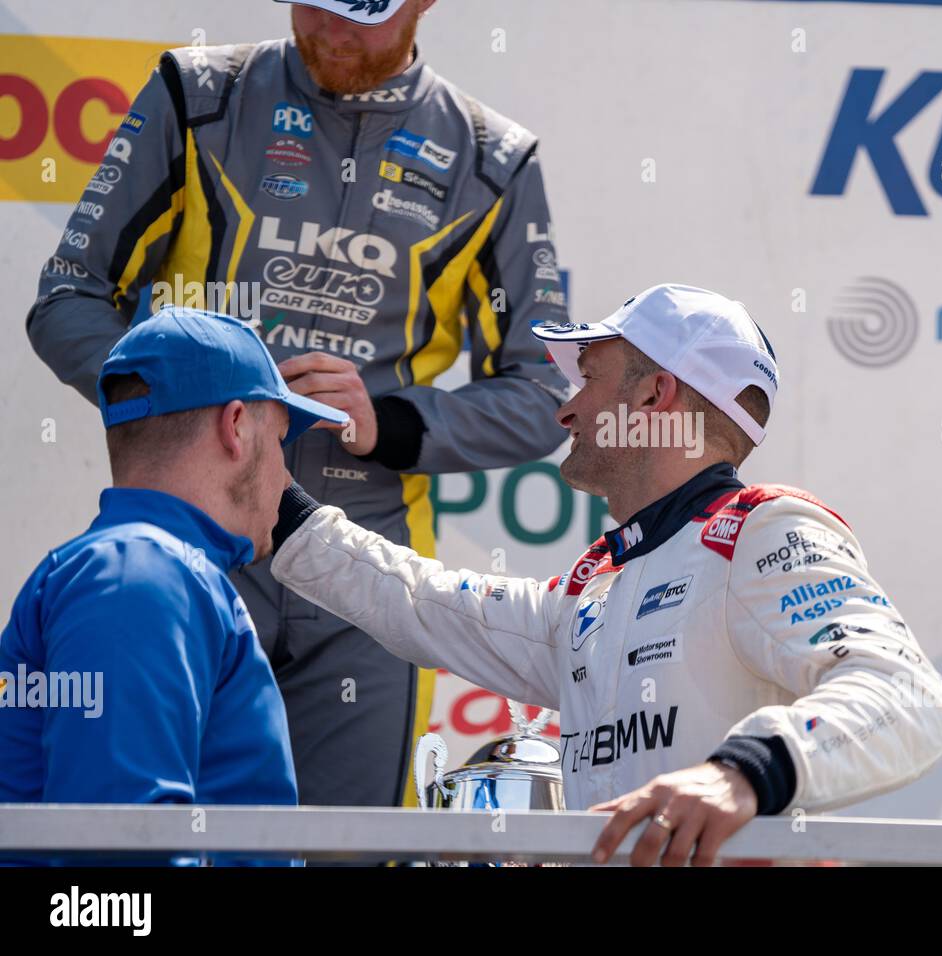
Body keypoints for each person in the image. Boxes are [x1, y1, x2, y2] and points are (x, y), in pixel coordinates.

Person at [25, 0, 571, 807]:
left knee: (344, 851)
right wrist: (195, 391)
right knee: (143, 822)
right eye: (315, 5)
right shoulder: (199, 92)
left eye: (363, 14)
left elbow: (544, 391)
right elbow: (66, 299)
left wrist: (390, 422)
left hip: (361, 563)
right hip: (194, 533)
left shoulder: (493, 159)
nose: (331, 33)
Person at [268, 284, 942, 866]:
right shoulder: (599, 579)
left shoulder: (759, 530)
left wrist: (743, 773)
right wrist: (275, 508)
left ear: (656, 395)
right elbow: (426, 604)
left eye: (588, 378)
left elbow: (904, 692)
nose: (565, 410)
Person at [0, 307, 346, 821]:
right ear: (235, 427)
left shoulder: (143, 567)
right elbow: (119, 858)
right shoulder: (142, 573)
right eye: (278, 442)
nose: (286, 479)